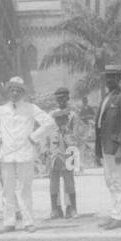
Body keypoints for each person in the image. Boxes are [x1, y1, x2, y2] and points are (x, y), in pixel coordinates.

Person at [0, 77, 54, 233]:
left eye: (18, 90)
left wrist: (34, 137)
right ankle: (9, 222)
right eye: (12, 90)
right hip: (7, 153)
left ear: (23, 92)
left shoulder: (31, 108)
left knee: (25, 188)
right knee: (7, 189)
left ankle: (28, 222)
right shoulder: (2, 110)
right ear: (8, 92)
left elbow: (49, 122)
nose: (15, 93)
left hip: (25, 153)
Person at [94, 64, 121, 229]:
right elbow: (100, 125)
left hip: (115, 146)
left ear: (119, 78)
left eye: (113, 77)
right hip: (105, 146)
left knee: (119, 181)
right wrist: (98, 150)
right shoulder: (107, 97)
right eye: (107, 77)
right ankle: (115, 214)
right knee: (110, 181)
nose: (109, 80)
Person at [47, 87, 79, 219]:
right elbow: (46, 134)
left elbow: (76, 135)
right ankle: (55, 209)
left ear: (67, 98)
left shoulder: (73, 115)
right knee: (53, 182)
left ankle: (71, 208)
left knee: (69, 181)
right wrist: (44, 150)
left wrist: (74, 154)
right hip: (53, 153)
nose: (60, 100)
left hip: (68, 151)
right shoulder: (50, 115)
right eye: (58, 98)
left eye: (63, 98)